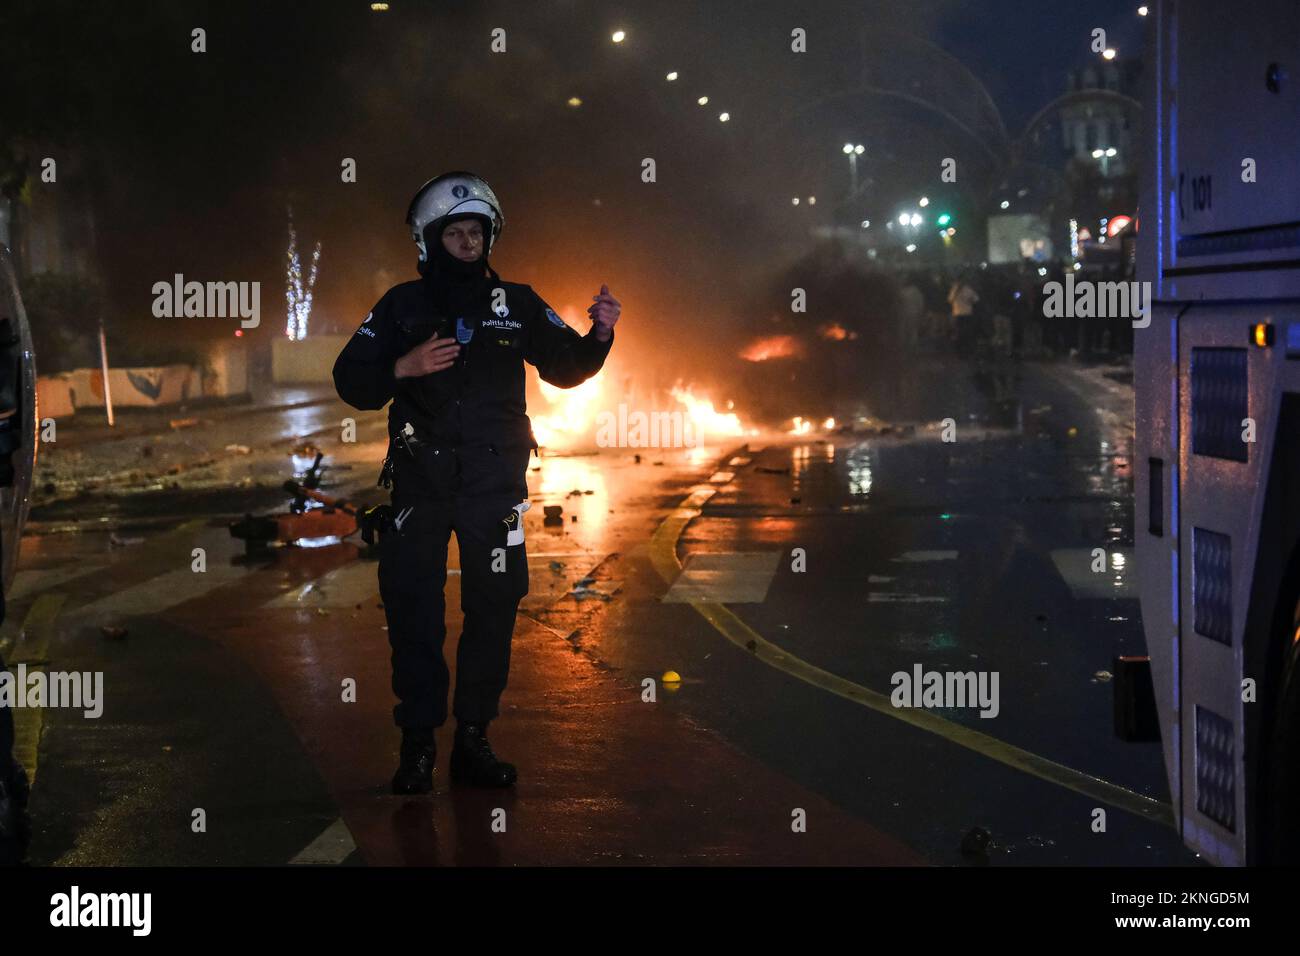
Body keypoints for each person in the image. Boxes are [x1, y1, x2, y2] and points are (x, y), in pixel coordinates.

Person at [333, 172, 620, 794]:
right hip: (420, 486)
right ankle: (416, 748)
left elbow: (564, 366)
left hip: (494, 489)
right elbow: (351, 379)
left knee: (491, 612)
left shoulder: (514, 302)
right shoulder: (401, 306)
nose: (467, 242)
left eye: (476, 231)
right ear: (430, 241)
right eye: (455, 232)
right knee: (414, 613)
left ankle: (473, 743)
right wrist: (401, 366)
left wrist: (599, 336)